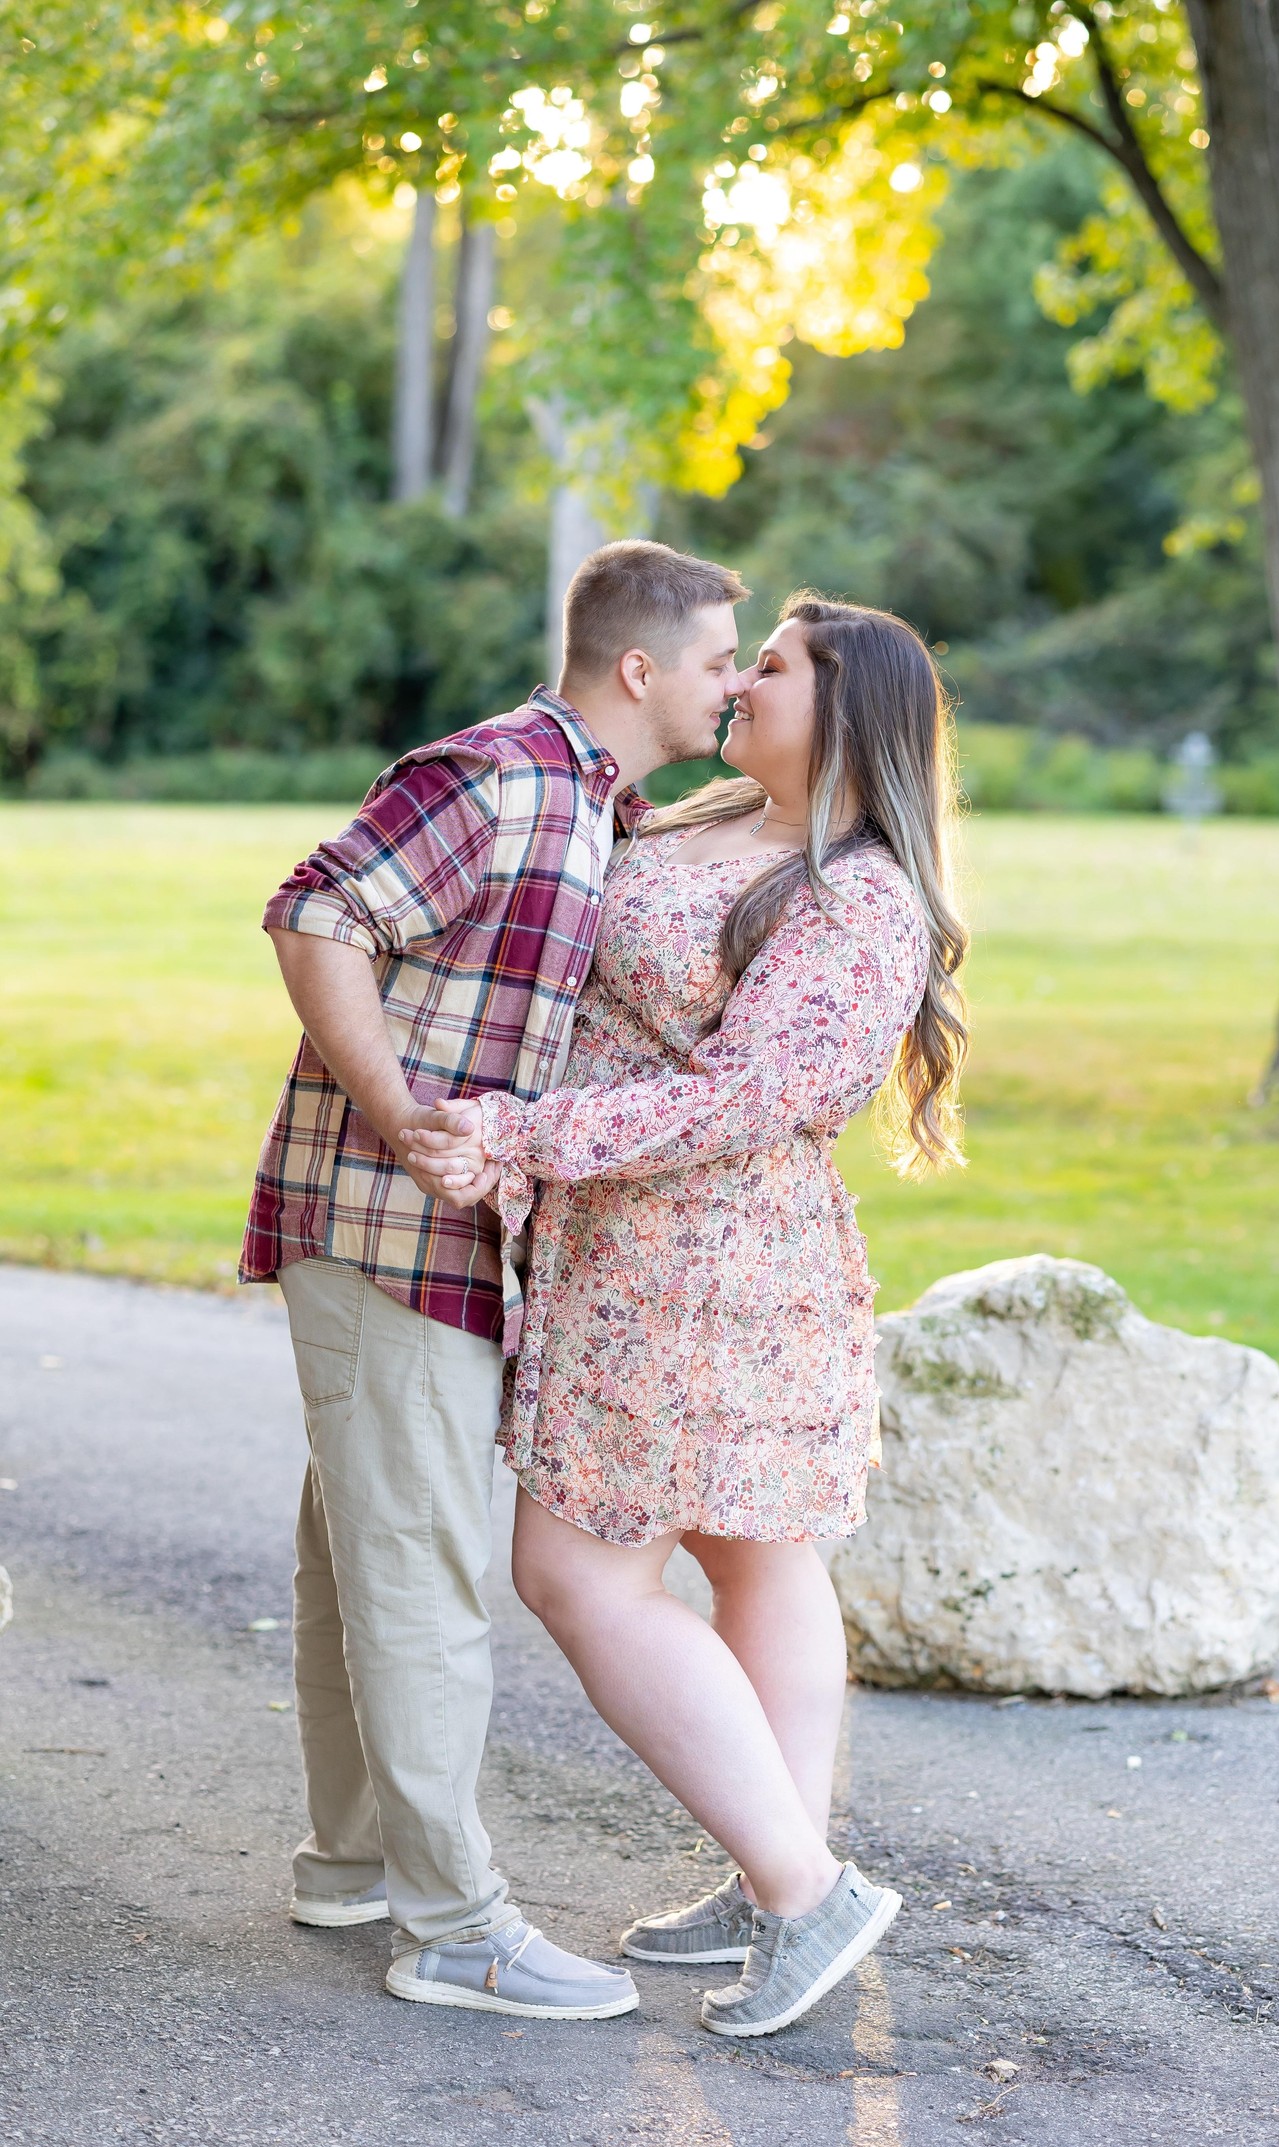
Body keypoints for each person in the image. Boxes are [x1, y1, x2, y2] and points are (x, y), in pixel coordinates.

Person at [400, 594, 969, 2037]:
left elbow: (751, 1098)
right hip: (627, 1250)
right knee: (752, 1553)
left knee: (580, 1577)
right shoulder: (705, 816)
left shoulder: (858, 895)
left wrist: (522, 1134)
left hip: (708, 1272)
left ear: (849, 713)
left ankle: (803, 1896)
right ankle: (777, 1857)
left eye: (768, 669)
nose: (739, 685)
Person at [240, 540, 749, 2018]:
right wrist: (401, 1116)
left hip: (428, 1238)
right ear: (640, 668)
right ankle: (456, 1924)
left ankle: (356, 1865)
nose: (728, 687)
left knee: (362, 1558)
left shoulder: (597, 803)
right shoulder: (505, 774)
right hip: (385, 1223)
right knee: (424, 1573)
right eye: (721, 660)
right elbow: (316, 910)